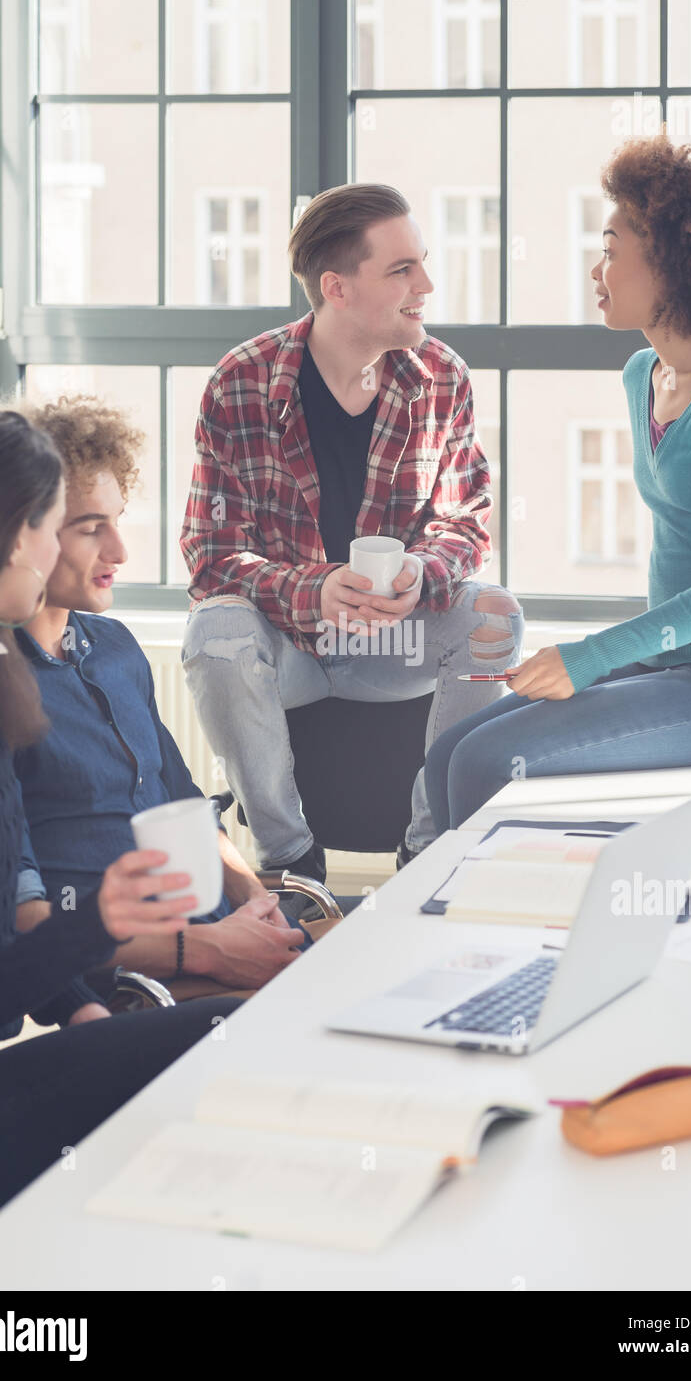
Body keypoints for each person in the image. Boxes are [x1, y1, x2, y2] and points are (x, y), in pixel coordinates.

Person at [425, 135, 691, 832]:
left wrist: (592, 655)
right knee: (448, 753)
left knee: (484, 765)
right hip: (673, 665)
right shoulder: (641, 375)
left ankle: (471, 924)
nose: (596, 268)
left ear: (670, 262)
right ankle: (436, 918)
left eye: (610, 246)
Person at [0, 409, 241, 1261]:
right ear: (9, 539)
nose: (58, 551)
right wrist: (100, 921)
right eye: (54, 524)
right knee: (228, 1037)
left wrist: (81, 1004)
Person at [180, 183, 523, 881]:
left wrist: (417, 576)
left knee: (495, 615)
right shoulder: (240, 381)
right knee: (214, 632)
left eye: (421, 264)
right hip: (293, 652)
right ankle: (288, 862)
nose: (425, 284)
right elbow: (211, 557)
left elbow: (465, 521)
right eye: (401, 270)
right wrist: (314, 592)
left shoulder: (440, 378)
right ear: (335, 287)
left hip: (397, 643)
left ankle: (430, 849)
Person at [10, 394, 305, 992]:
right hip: (141, 977)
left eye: (118, 522)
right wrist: (209, 951)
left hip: (217, 932)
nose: (119, 552)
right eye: (92, 529)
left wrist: (254, 897)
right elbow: (29, 924)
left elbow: (181, 798)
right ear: (26, 533)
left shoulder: (115, 647)